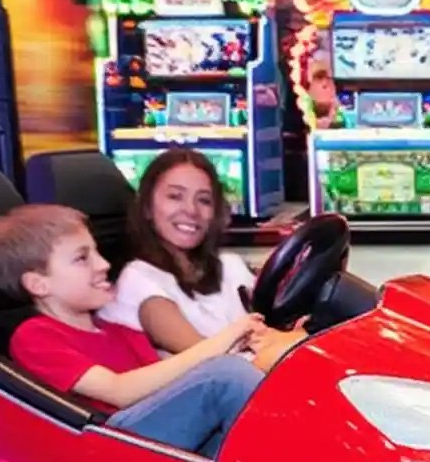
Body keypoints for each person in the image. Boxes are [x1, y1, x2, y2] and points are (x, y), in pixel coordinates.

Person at [0, 204, 265, 457]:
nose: (104, 265)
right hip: (101, 447)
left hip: (144, 439)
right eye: (82, 258)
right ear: (38, 284)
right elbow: (119, 391)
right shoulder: (36, 337)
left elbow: (170, 387)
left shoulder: (119, 331)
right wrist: (222, 342)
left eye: (97, 253)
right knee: (226, 376)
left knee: (232, 434)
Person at [98, 147, 308, 365]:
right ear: (147, 208)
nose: (191, 210)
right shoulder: (138, 280)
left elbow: (275, 320)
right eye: (175, 196)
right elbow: (213, 362)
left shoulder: (229, 265)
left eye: (204, 200)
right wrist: (292, 346)